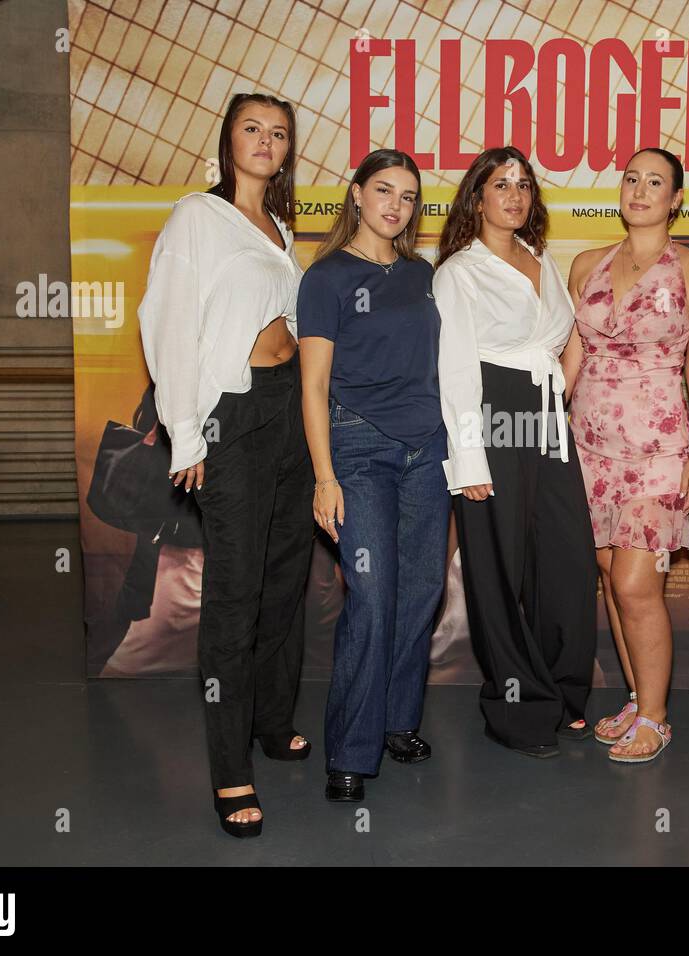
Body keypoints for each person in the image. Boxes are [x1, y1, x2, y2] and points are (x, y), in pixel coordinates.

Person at [137, 92, 314, 838]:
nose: (266, 141)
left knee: (285, 577)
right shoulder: (196, 219)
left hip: (287, 409)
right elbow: (166, 323)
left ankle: (272, 722)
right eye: (252, 129)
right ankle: (229, 767)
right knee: (234, 595)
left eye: (278, 133)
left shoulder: (278, 227)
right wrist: (186, 434)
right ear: (227, 141)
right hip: (229, 416)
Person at [433, 147, 598, 758]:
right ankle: (517, 708)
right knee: (497, 567)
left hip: (546, 414)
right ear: (476, 198)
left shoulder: (539, 258)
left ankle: (563, 688)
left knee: (567, 558)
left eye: (524, 185)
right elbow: (453, 370)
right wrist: (469, 458)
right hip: (490, 409)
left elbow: (564, 341)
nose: (514, 195)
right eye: (500, 185)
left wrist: (557, 412)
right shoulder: (457, 272)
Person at [562, 147, 689, 763]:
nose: (640, 190)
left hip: (660, 448)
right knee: (608, 576)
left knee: (635, 585)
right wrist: (538, 429)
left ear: (676, 198)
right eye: (632, 178)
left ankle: (657, 717)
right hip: (590, 448)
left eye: (655, 182)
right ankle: (636, 698)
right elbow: (572, 360)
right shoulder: (585, 265)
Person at [296, 149, 449, 803]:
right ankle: (351, 751)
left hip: (427, 451)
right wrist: (324, 476)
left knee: (419, 594)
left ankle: (395, 721)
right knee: (374, 594)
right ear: (356, 195)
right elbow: (312, 386)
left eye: (409, 195)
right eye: (383, 190)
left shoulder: (423, 276)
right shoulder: (325, 277)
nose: (395, 204)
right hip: (359, 452)